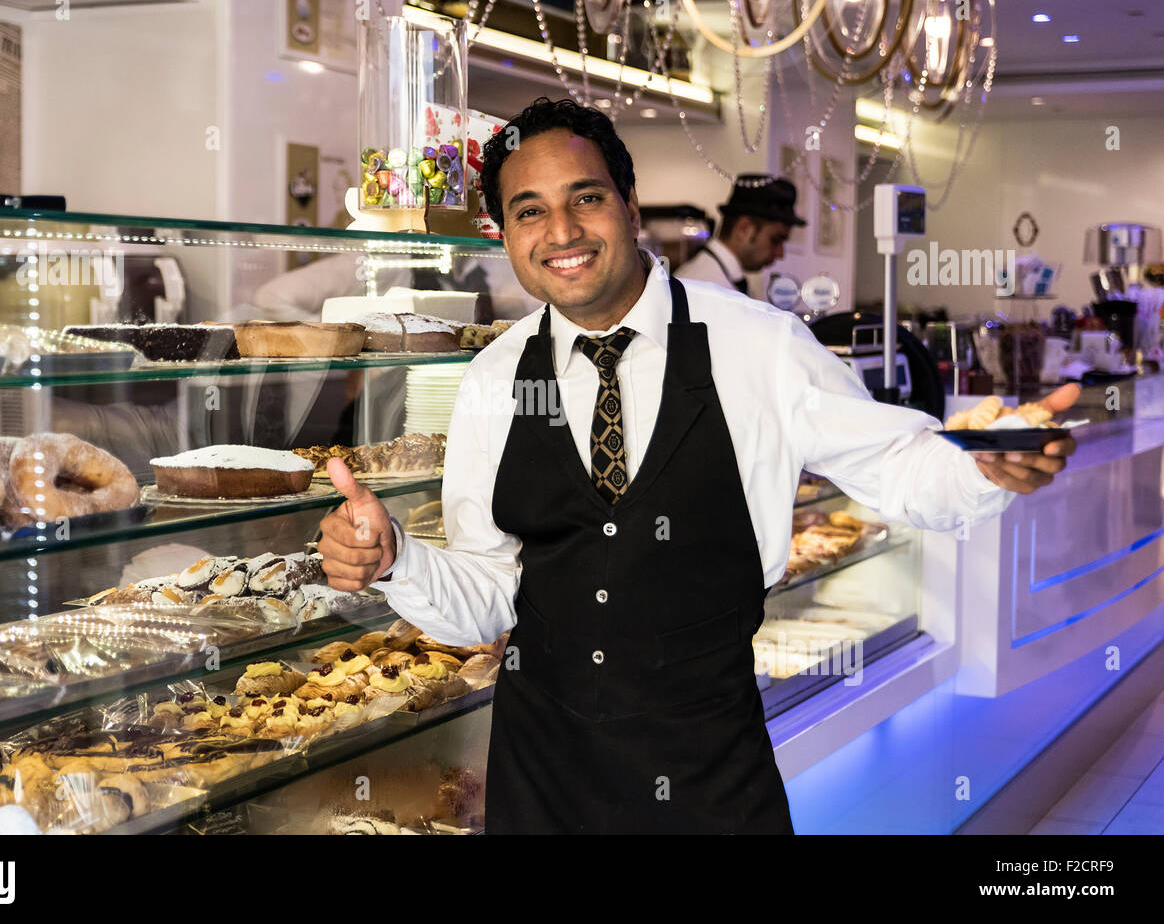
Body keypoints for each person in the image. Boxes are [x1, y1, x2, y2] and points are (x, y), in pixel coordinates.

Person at [315, 96, 1079, 834]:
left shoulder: (760, 346)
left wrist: (983, 466)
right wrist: (398, 559)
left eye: (585, 198)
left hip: (711, 782)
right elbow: (488, 595)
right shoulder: (493, 380)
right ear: (506, 235)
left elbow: (902, 466)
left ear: (630, 204)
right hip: (541, 780)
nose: (561, 231)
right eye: (529, 211)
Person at [675, 174, 805, 296]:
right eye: (776, 240)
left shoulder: (721, 279)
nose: (780, 254)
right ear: (744, 228)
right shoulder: (704, 286)